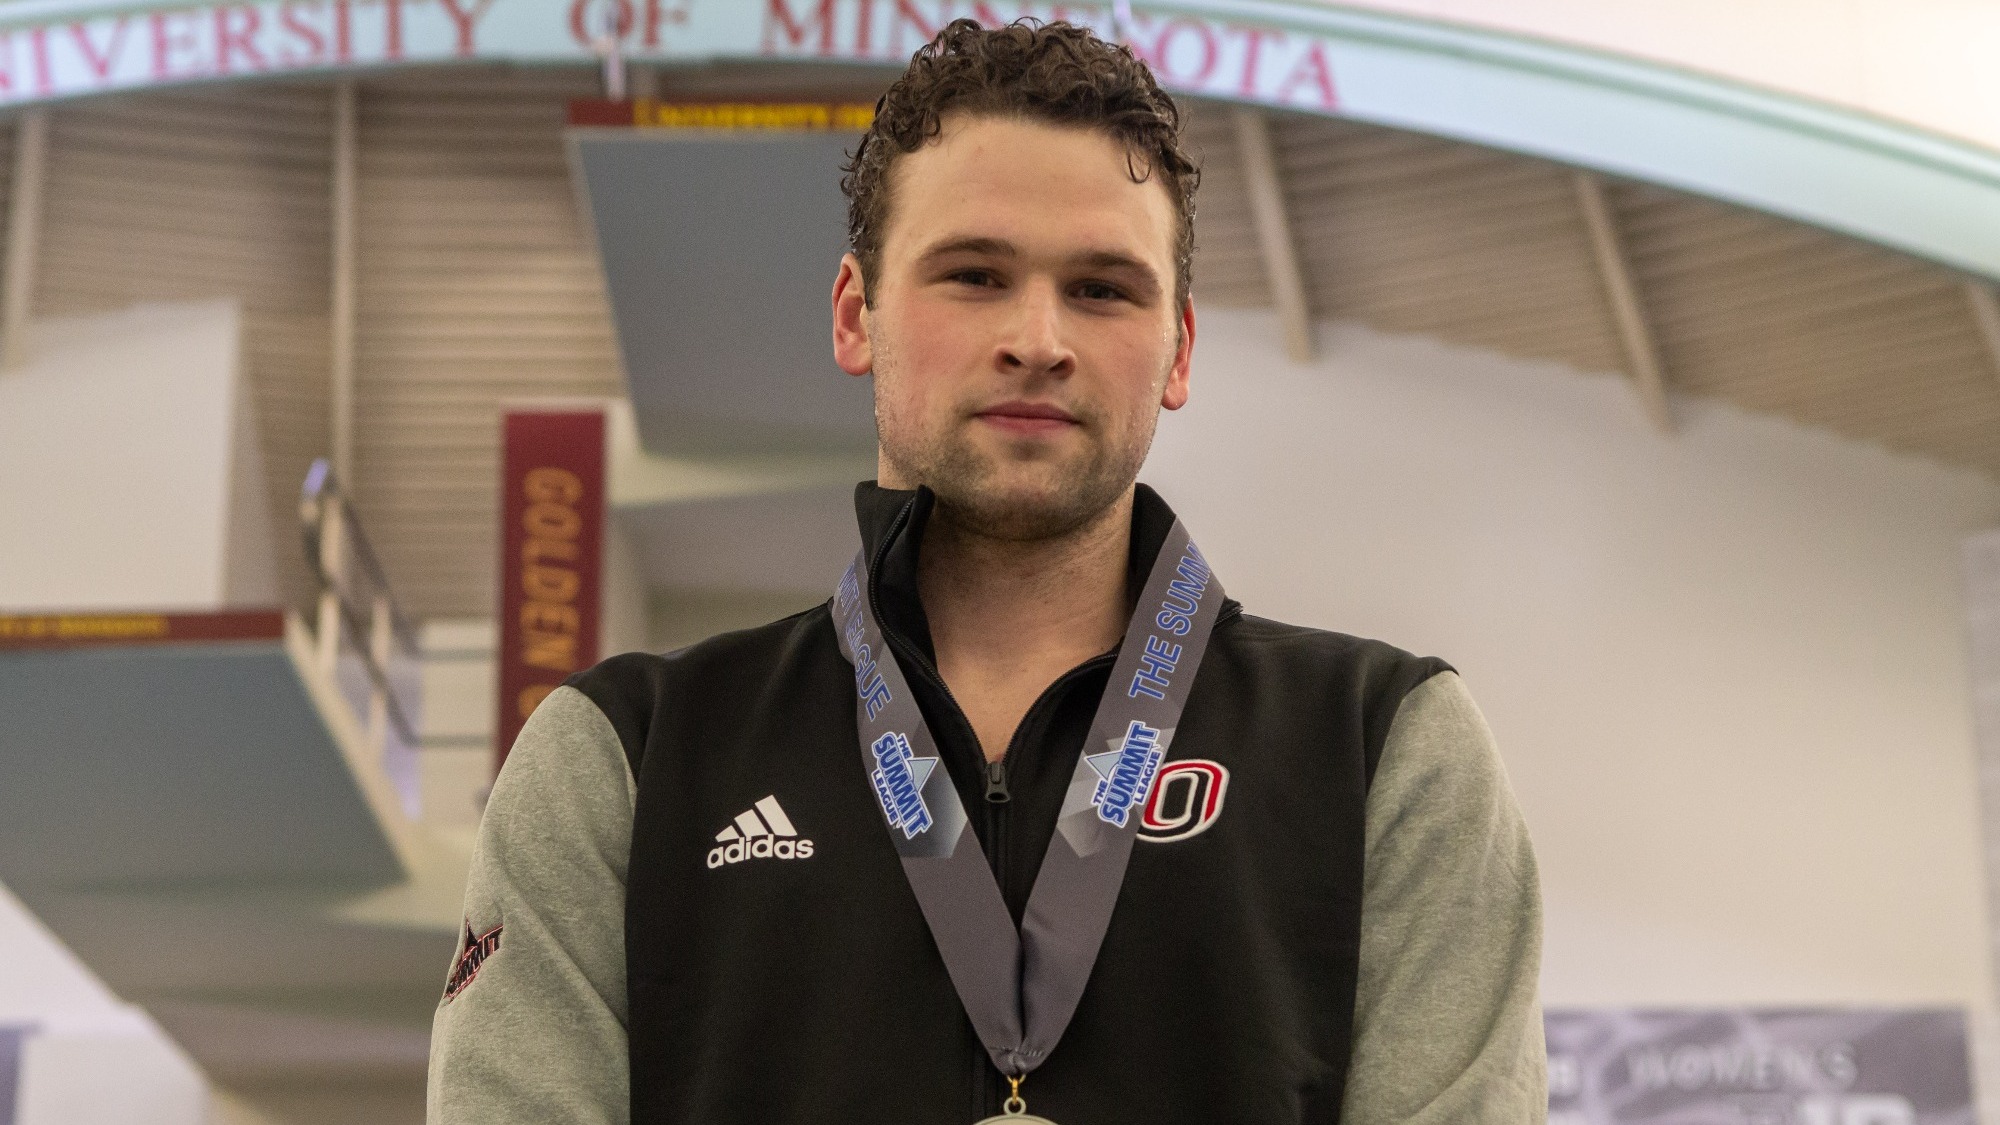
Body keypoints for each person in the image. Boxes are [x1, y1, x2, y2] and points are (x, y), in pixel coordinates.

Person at [428, 18, 1545, 1125]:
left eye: (1103, 289)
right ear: (855, 313)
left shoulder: (1381, 754)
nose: (1037, 337)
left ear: (1179, 352)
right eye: (973, 274)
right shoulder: (625, 762)